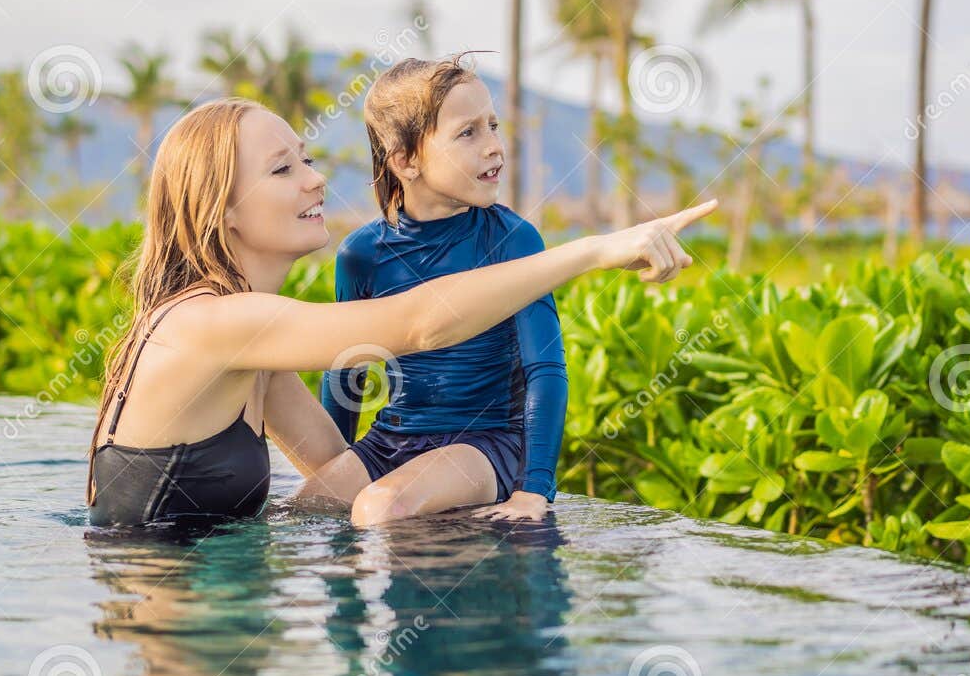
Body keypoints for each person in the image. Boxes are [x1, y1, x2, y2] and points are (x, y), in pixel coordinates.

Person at [85, 96, 714, 529]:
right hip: (177, 640)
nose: (314, 180)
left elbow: (335, 473)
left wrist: (462, 465)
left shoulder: (252, 351)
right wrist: (595, 251)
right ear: (221, 209)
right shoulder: (212, 324)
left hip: (207, 623)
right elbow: (418, 324)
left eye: (307, 159)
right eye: (282, 169)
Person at [315, 57, 565, 524]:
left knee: (381, 505)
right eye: (468, 133)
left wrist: (534, 489)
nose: (494, 147)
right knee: (307, 507)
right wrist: (336, 466)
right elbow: (347, 373)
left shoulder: (513, 241)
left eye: (492, 126)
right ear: (405, 160)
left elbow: (545, 371)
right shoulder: (361, 255)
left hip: (488, 442)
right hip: (393, 439)